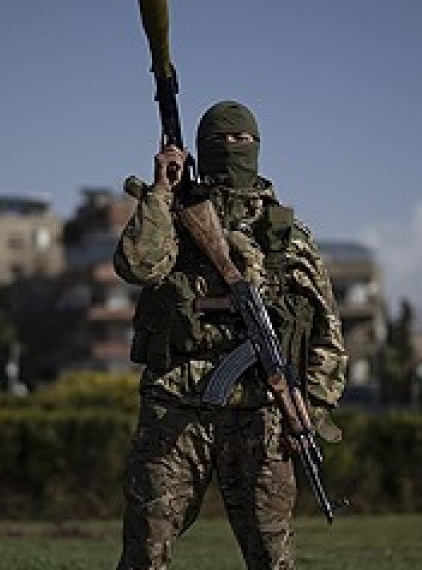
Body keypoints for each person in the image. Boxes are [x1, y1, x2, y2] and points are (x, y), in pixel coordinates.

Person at [113, 100, 349, 569]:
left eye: (243, 140)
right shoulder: (175, 215)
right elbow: (138, 264)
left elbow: (328, 336)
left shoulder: (289, 236)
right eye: (221, 141)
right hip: (175, 410)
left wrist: (307, 412)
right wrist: (161, 192)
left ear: (258, 147)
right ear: (200, 149)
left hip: (262, 416)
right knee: (145, 553)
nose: (233, 148)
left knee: (271, 556)